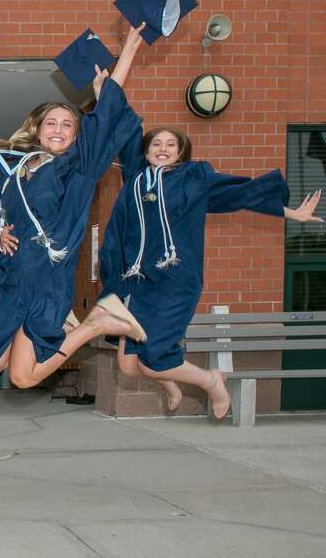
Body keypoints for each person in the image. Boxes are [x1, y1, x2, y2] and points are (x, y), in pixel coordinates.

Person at [99, 125, 322, 418]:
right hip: (138, 283)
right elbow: (119, 229)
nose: (163, 148)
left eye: (171, 144)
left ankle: (211, 381)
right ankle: (171, 384)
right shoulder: (137, 183)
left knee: (152, 359)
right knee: (129, 366)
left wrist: (289, 212)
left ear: (180, 152)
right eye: (156, 143)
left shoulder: (193, 178)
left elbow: (236, 193)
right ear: (146, 150)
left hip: (175, 280)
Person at [0, 25, 148, 389]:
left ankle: (94, 324)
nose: (58, 129)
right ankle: (85, 324)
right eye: (51, 122)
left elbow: (101, 125)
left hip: (48, 280)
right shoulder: (12, 170)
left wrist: (125, 55)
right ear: (37, 130)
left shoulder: (76, 168)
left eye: (67, 125)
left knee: (21, 378)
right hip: (11, 282)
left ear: (74, 135)